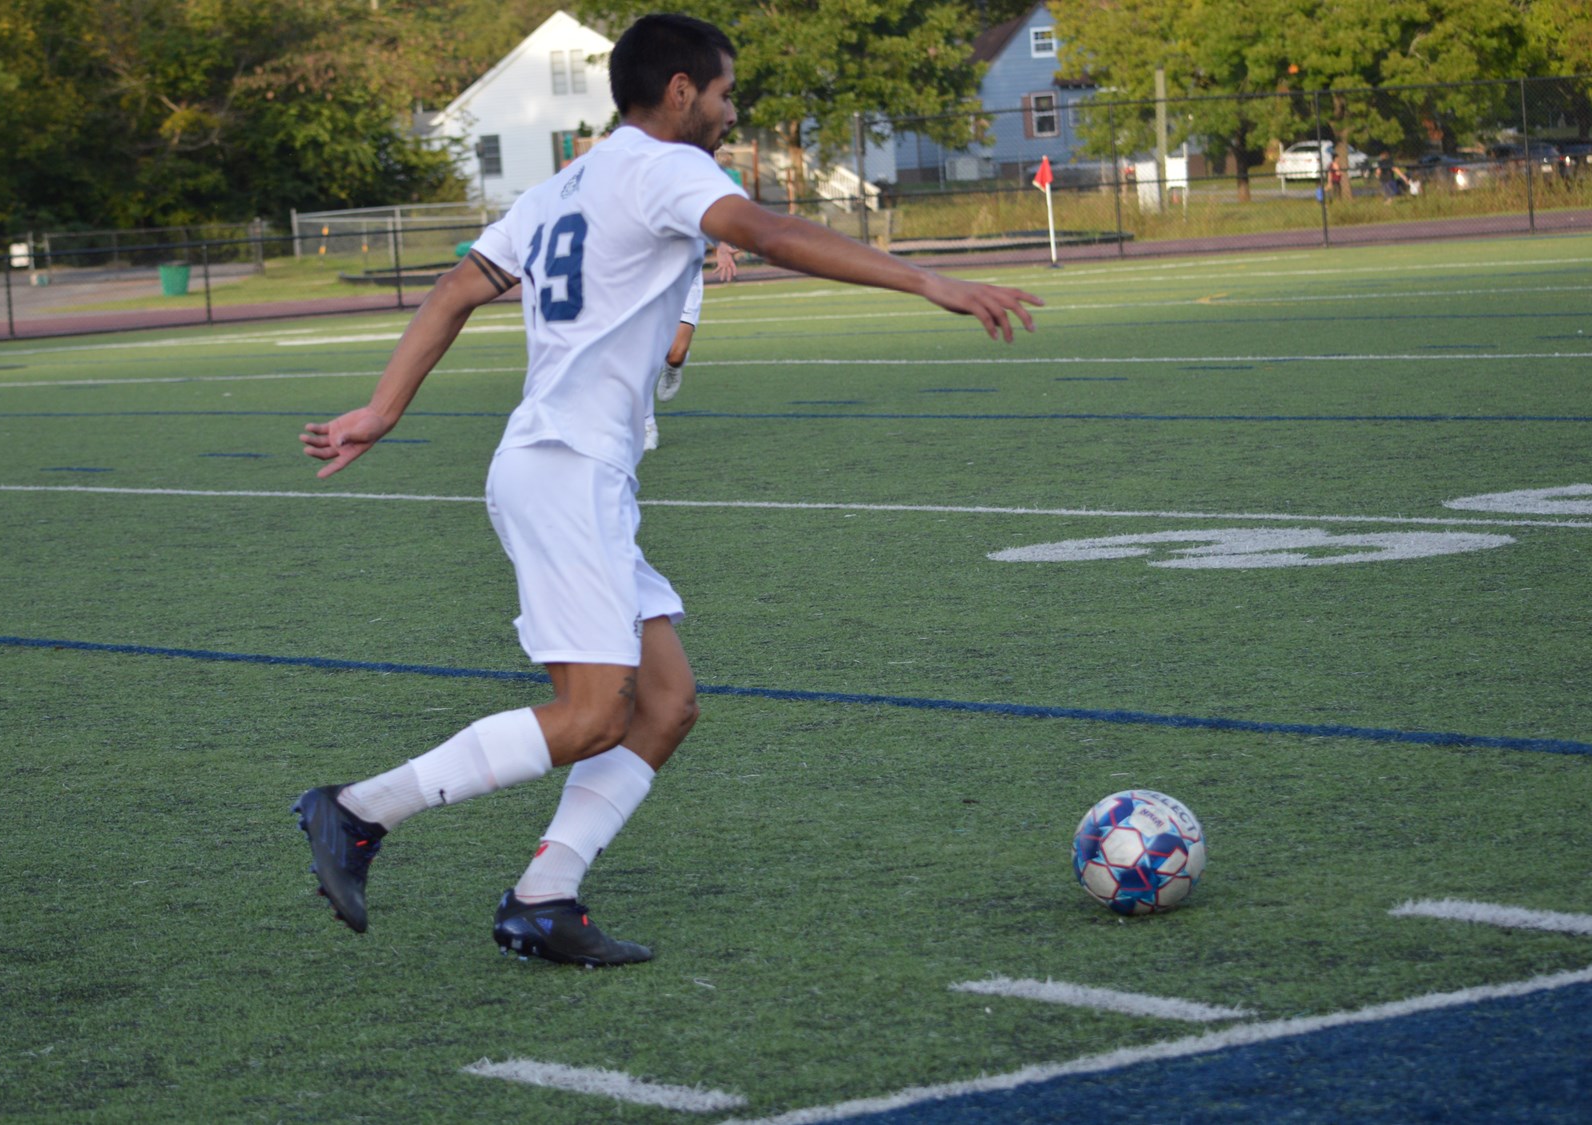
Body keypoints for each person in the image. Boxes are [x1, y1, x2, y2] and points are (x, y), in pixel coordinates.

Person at [292, 12, 1042, 967]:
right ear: (681, 91)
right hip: (565, 468)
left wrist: (382, 410)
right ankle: (357, 810)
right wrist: (925, 279)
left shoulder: (565, 182)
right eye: (725, 94)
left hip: (571, 470)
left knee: (666, 703)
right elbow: (767, 230)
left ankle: (544, 895)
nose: (731, 114)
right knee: (594, 712)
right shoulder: (664, 163)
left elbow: (452, 291)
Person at [644, 241, 735, 450]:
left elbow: (705, 219)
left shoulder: (681, 208)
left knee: (675, 354)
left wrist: (720, 246)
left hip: (686, 279)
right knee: (647, 357)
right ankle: (647, 424)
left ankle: (674, 366)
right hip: (648, 281)